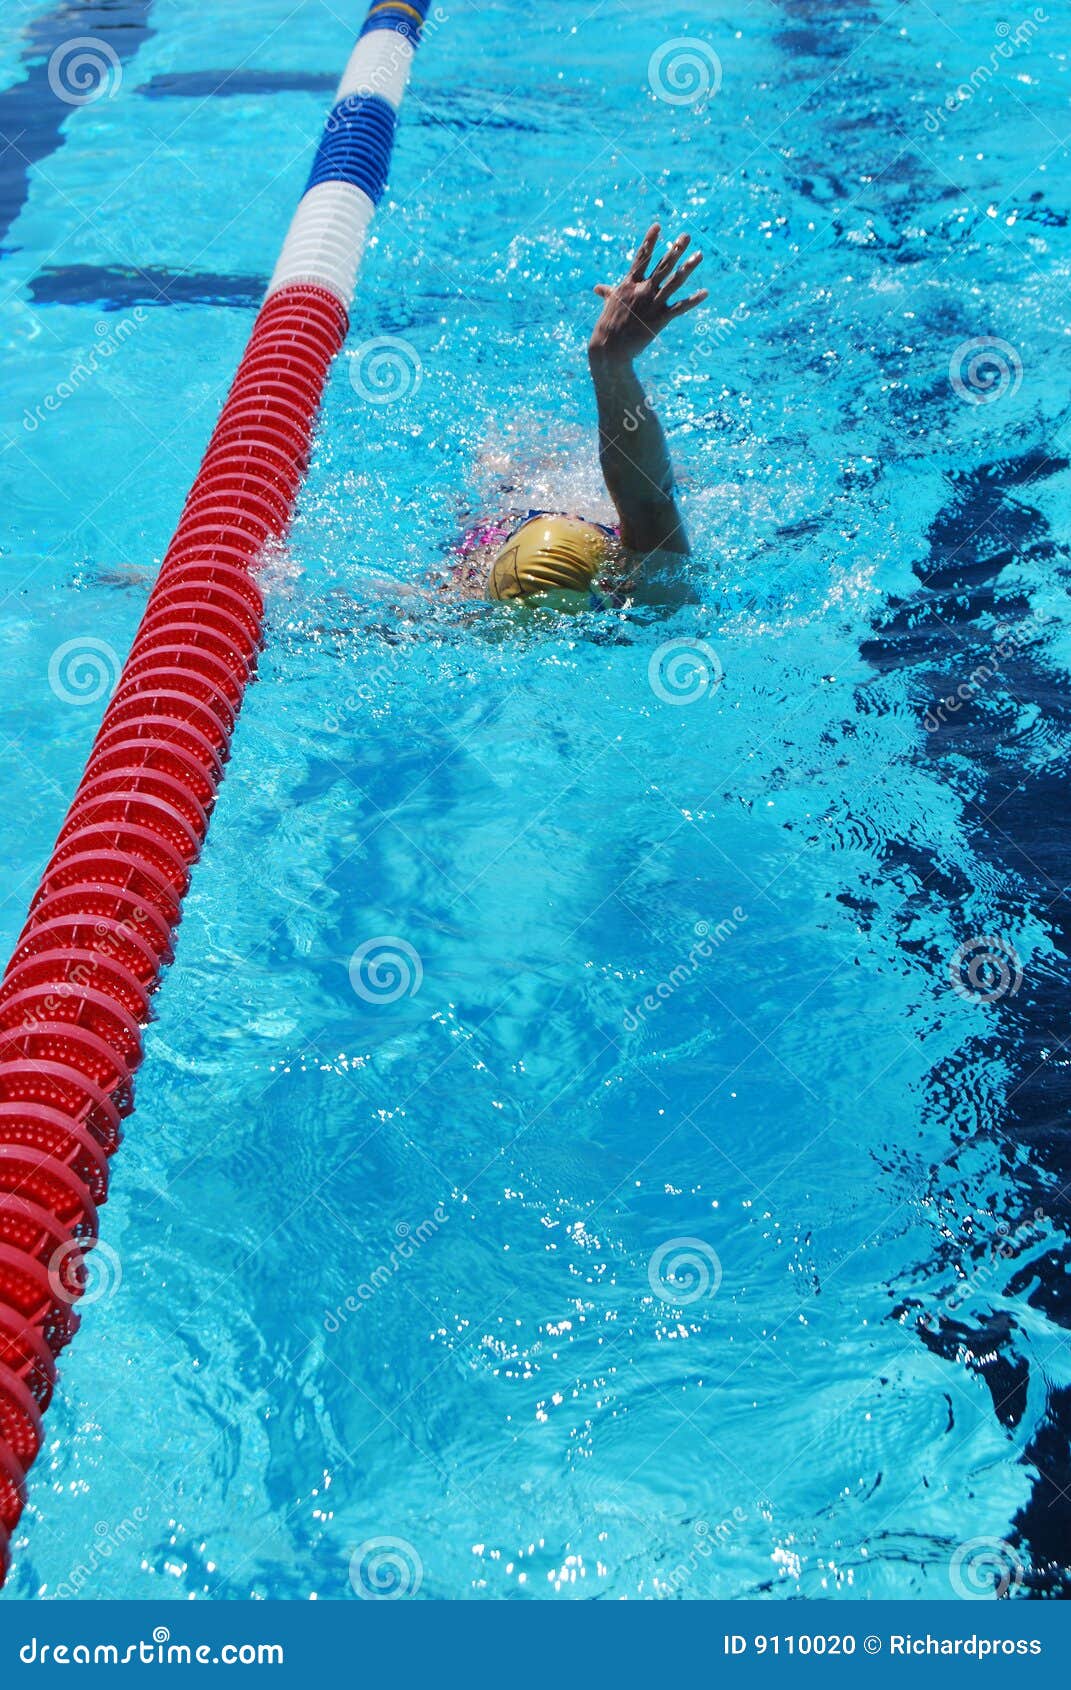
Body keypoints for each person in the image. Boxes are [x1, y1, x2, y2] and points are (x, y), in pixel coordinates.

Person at [452, 224, 707, 610]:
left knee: (499, 463)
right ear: (612, 582)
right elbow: (647, 498)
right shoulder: (657, 590)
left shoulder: (466, 581)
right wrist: (610, 362)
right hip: (532, 521)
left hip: (498, 521)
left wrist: (610, 363)